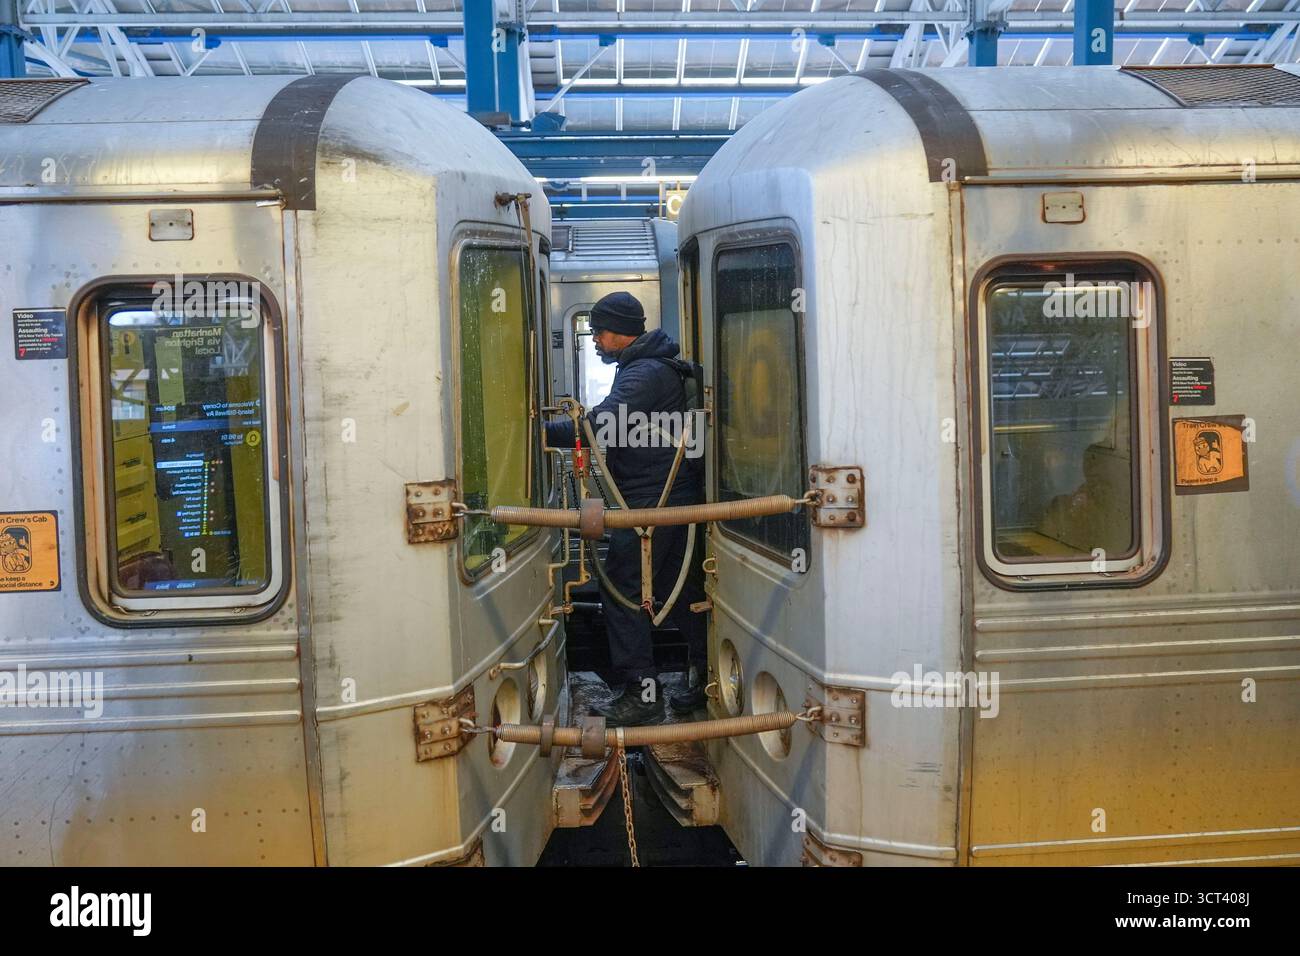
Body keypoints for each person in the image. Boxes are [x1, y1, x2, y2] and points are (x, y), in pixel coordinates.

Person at [546, 291, 707, 726]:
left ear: (620, 332)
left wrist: (540, 432)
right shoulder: (648, 367)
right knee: (681, 592)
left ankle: (643, 694)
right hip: (666, 501)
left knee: (621, 591)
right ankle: (705, 676)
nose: (595, 339)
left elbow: (603, 424)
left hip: (649, 507)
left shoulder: (644, 374)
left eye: (599, 331)